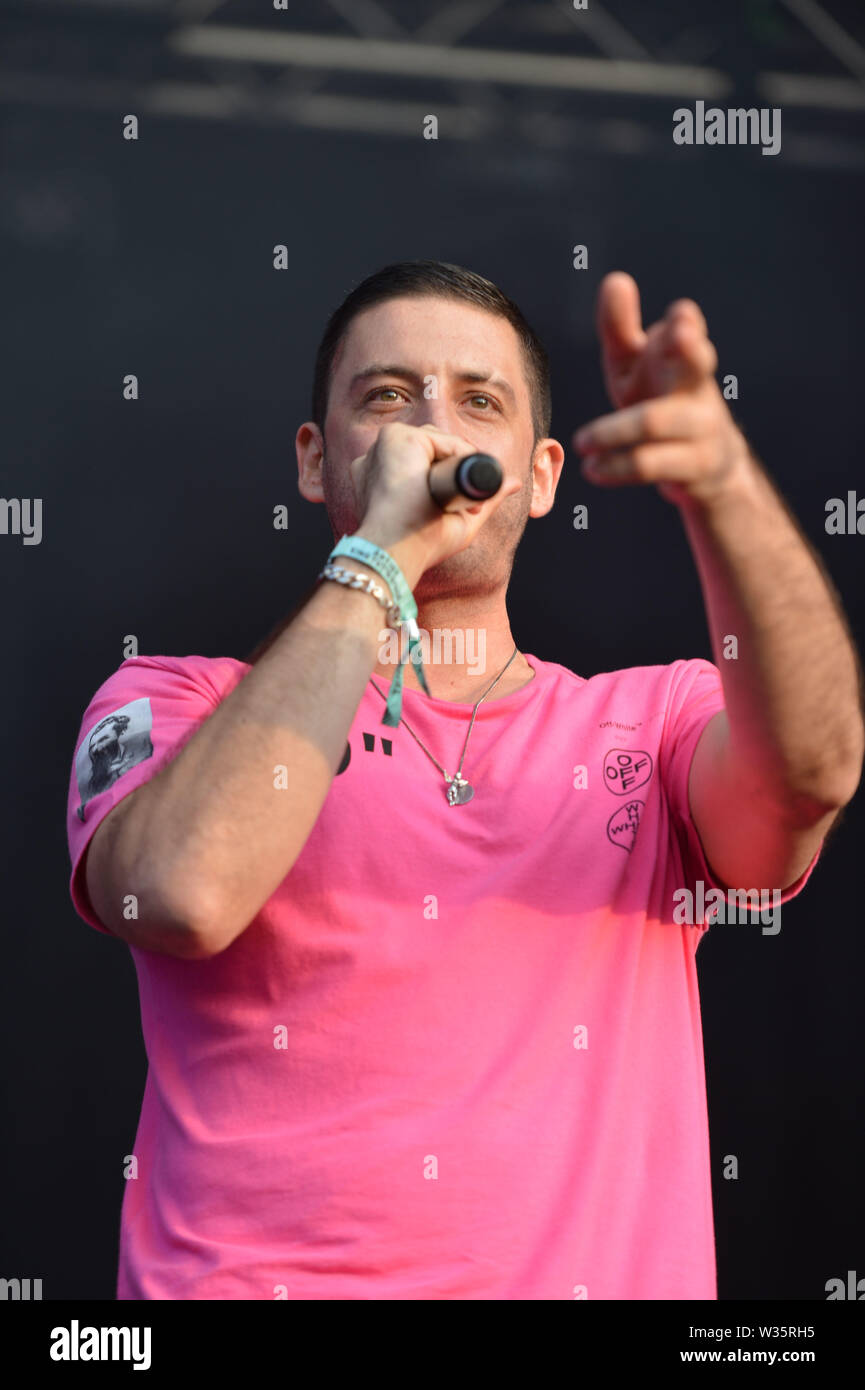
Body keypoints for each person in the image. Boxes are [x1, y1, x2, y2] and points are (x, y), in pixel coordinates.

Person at [66, 260, 863, 1300]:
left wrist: (724, 487)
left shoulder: (652, 719)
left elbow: (809, 775)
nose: (431, 427)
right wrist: (377, 558)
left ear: (536, 476)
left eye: (476, 400)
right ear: (315, 462)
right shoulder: (174, 698)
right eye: (388, 396)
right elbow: (178, 889)